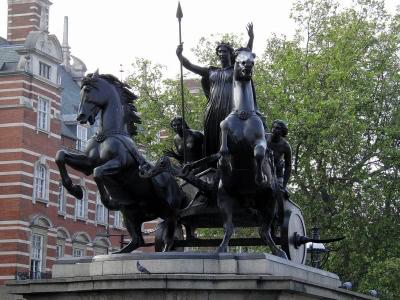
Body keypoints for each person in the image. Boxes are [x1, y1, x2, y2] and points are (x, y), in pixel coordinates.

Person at [176, 23, 257, 157]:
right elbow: (190, 66)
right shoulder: (210, 71)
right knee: (212, 136)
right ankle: (211, 165)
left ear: (230, 53)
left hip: (230, 107)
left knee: (231, 135)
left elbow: (246, 57)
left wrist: (251, 39)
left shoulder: (235, 70)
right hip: (213, 108)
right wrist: (179, 55)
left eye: (224, 51)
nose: (221, 54)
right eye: (219, 51)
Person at [266, 120, 292, 192]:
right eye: (273, 127)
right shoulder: (264, 137)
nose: (274, 129)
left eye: (277, 128)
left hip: (276, 174)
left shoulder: (286, 146)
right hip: (262, 170)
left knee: (280, 193)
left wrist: (284, 185)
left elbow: (288, 167)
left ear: (282, 132)